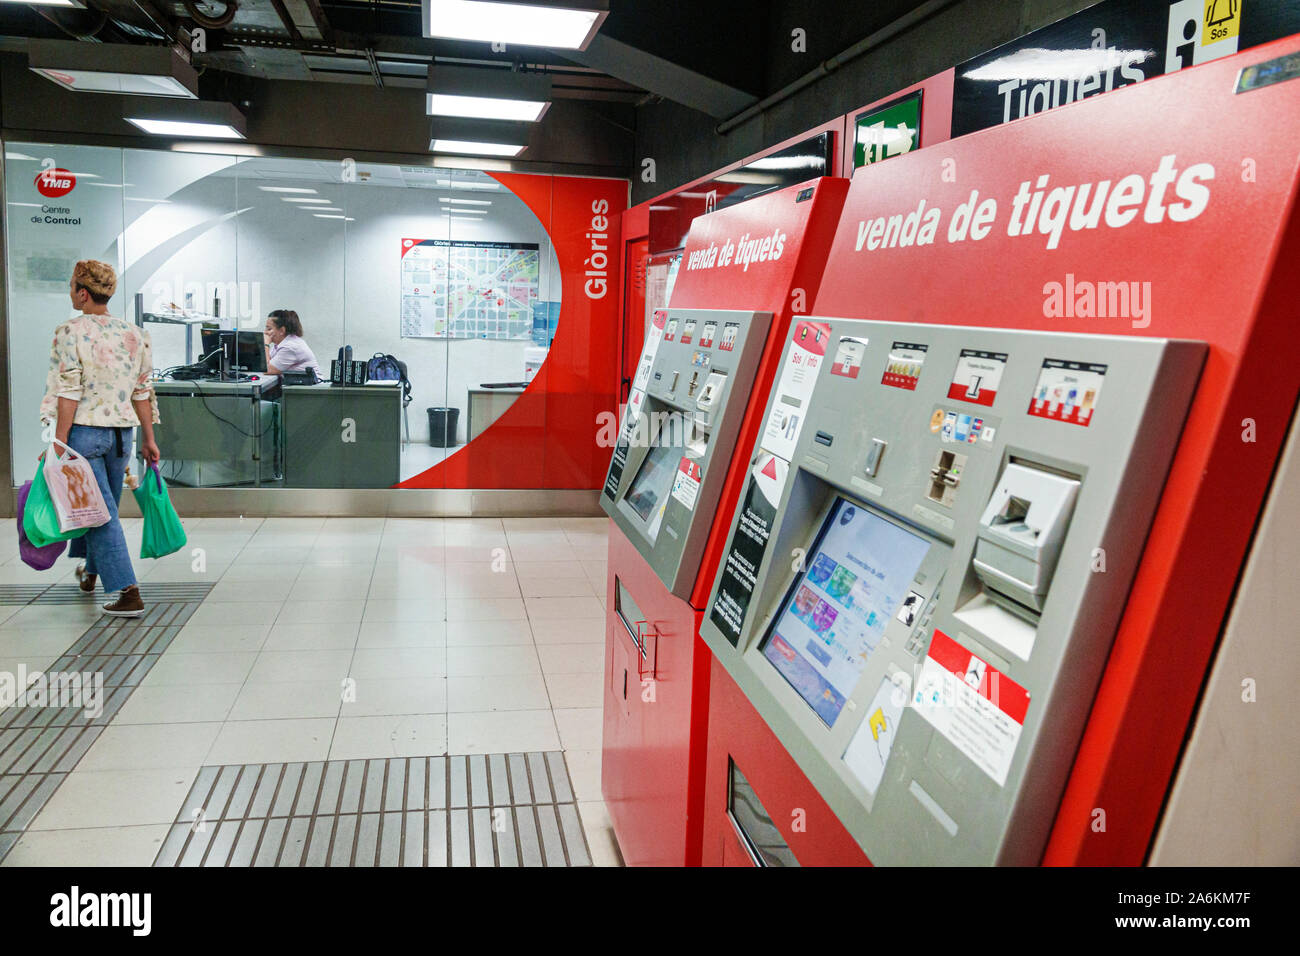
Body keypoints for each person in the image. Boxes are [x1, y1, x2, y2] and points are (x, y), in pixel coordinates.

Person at [40, 260, 161, 618]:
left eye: (71, 285)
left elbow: (69, 390)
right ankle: (91, 571)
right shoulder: (135, 333)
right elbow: (143, 390)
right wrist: (149, 439)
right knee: (94, 509)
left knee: (99, 513)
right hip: (123, 437)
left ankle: (127, 590)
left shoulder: (70, 330)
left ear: (82, 292)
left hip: (86, 433)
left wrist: (60, 444)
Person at [263, 309, 323, 380]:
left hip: (310, 388)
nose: (265, 332)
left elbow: (267, 369)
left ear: (282, 330)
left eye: (269, 329)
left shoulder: (291, 346)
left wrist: (266, 345)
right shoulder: (280, 345)